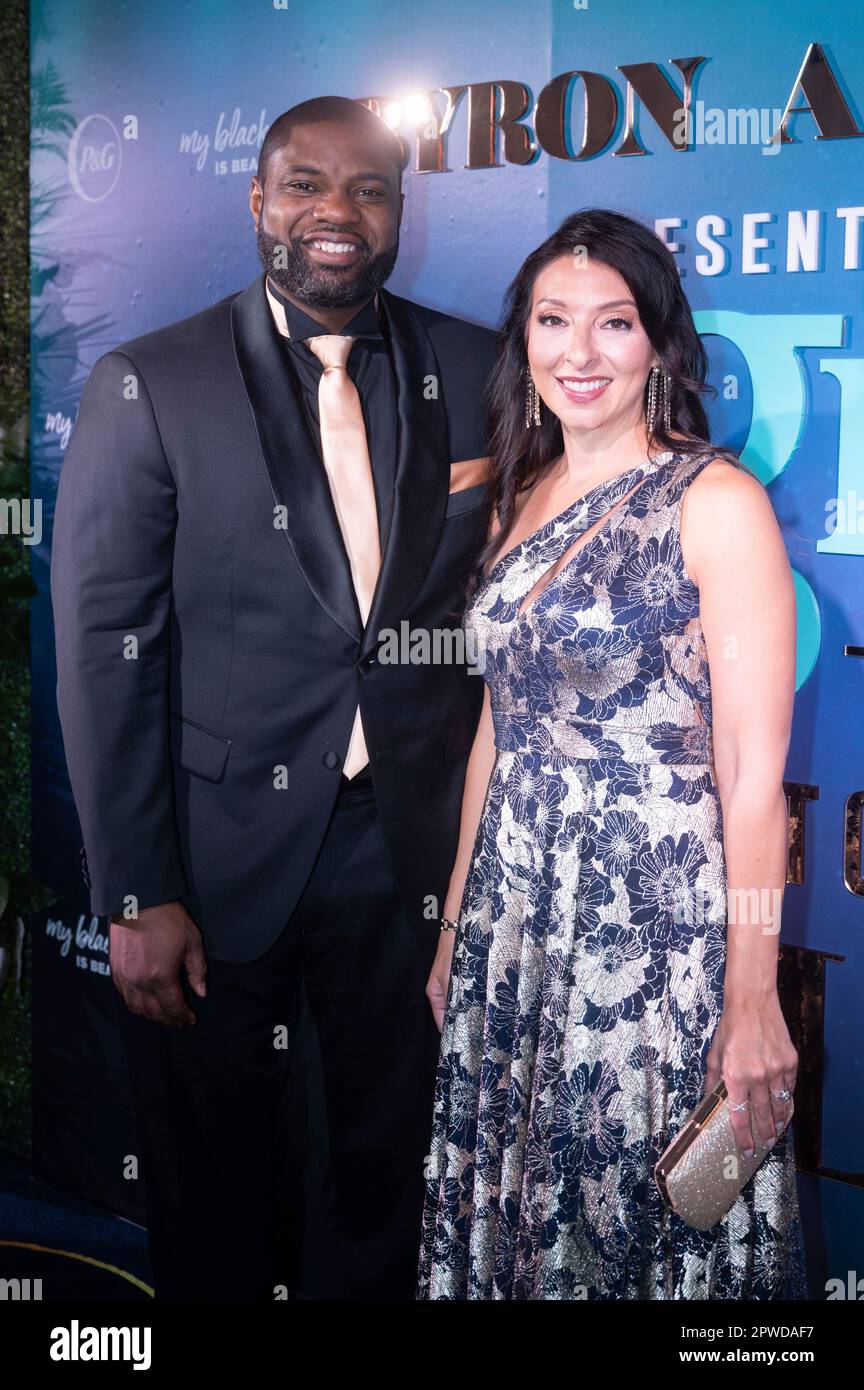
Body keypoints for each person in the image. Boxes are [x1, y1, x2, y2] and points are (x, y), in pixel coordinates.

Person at [50, 95, 497, 1301]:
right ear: (257, 201)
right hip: (213, 841)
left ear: (400, 209)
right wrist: (136, 889)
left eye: (367, 189)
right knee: (211, 1177)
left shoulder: (479, 364)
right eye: (305, 185)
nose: (336, 214)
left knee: (384, 1164)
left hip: (404, 847)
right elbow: (104, 646)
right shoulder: (152, 381)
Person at [416, 208, 810, 1300]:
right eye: (552, 320)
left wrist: (751, 991)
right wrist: (456, 925)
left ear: (660, 345)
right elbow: (497, 729)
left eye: (613, 323)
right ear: (523, 337)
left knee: (640, 1211)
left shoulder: (716, 502)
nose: (577, 353)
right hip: (514, 912)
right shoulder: (517, 495)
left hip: (652, 928)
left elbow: (750, 772)